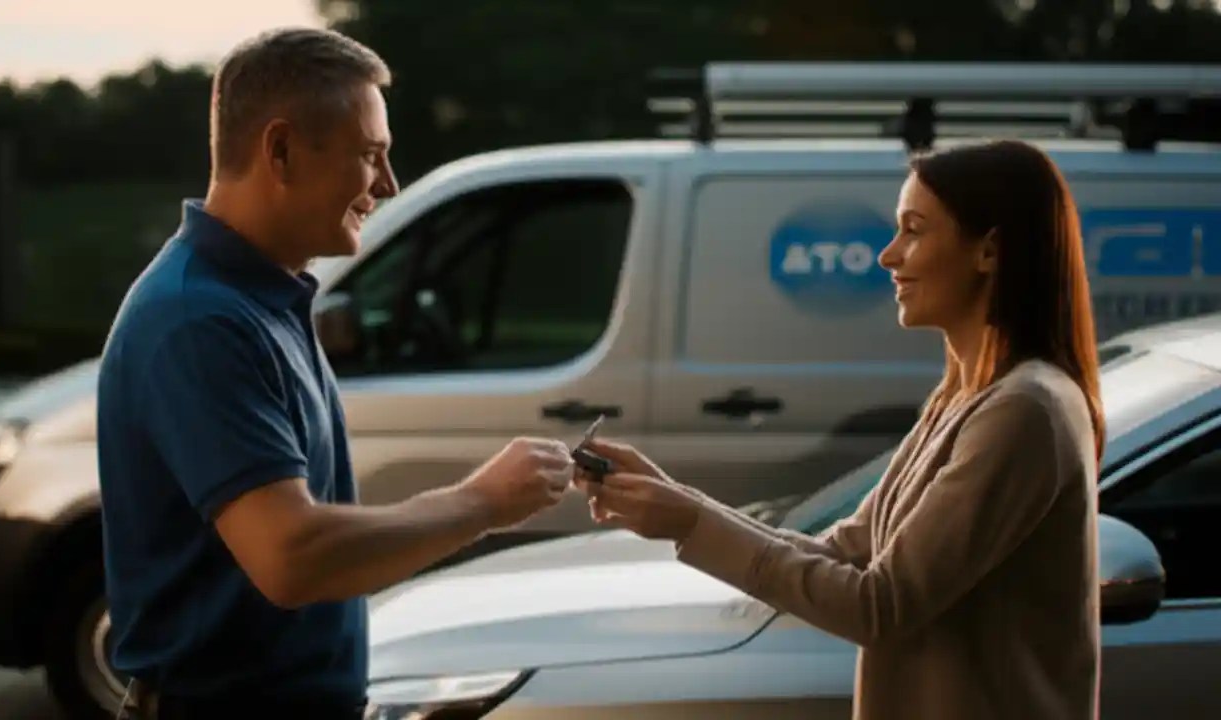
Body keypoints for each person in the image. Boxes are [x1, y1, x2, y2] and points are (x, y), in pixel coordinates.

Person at [96, 27, 575, 719]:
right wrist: (484, 503)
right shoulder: (198, 321)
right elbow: (294, 556)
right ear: (281, 150)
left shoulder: (262, 296)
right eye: (370, 155)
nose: (388, 183)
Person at [576, 139, 1106, 720]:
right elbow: (845, 551)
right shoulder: (965, 394)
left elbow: (878, 605)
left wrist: (689, 522)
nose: (888, 256)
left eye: (913, 229)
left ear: (990, 251)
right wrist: (679, 503)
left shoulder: (1025, 409)